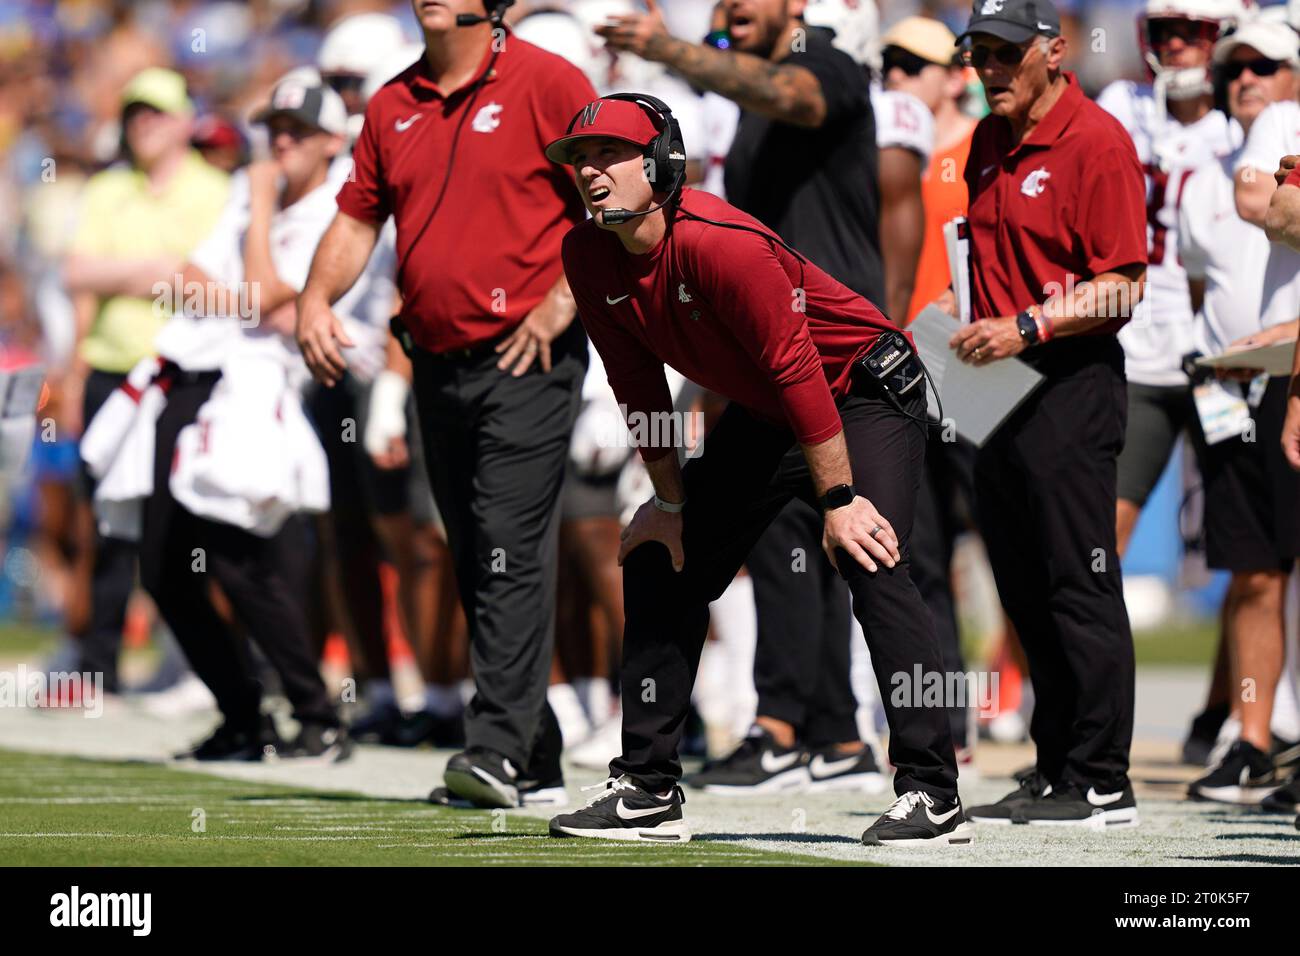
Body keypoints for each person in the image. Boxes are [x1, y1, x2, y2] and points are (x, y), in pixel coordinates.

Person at [543, 94, 968, 847]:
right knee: (658, 559)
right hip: (772, 408)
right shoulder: (586, 254)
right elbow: (637, 387)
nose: (589, 171)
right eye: (579, 158)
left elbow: (800, 370)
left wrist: (838, 500)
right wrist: (669, 503)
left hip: (863, 387)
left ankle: (933, 791)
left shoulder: (720, 243)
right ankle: (646, 786)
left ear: (661, 162)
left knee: (869, 555)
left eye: (609, 154)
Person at [296, 0, 597, 809]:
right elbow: (357, 219)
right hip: (435, 359)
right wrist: (316, 301)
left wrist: (563, 300)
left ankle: (494, 747)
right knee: (472, 551)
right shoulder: (393, 102)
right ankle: (534, 752)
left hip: (527, 356)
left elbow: (612, 198)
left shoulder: (547, 81)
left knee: (506, 539)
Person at [90, 75, 359, 761]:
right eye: (275, 127)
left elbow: (268, 297)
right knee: (164, 565)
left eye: (298, 129)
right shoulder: (247, 189)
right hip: (188, 378)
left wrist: (260, 219)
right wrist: (245, 289)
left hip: (256, 391)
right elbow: (188, 278)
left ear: (333, 140)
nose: (282, 140)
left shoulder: (336, 203)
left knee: (240, 562)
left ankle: (315, 713)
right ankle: (244, 714)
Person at [946, 0, 1148, 829]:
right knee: (1023, 587)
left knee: (1078, 581)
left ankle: (1104, 776)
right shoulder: (987, 141)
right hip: (994, 386)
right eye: (977, 53)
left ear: (1055, 52)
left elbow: (1124, 284)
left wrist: (1028, 324)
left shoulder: (1097, 142)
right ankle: (1056, 760)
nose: (987, 68)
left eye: (1003, 53)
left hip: (1068, 381)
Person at [1096, 0, 1245, 765]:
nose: (1179, 43)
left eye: (1196, 29)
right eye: (1166, 29)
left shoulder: (1254, 114)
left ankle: (1227, 711)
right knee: (1093, 545)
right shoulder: (1123, 106)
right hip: (1145, 358)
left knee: (1250, 555)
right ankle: (1084, 719)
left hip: (1229, 358)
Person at [61, 68, 229, 698]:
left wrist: (126, 274)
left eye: (157, 113)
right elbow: (80, 273)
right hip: (112, 369)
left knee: (184, 522)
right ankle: (96, 661)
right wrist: (157, 269)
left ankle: (189, 660)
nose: (144, 125)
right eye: (136, 114)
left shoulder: (214, 189)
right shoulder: (108, 190)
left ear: (185, 121)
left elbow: (209, 284)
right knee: (105, 524)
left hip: (182, 373)